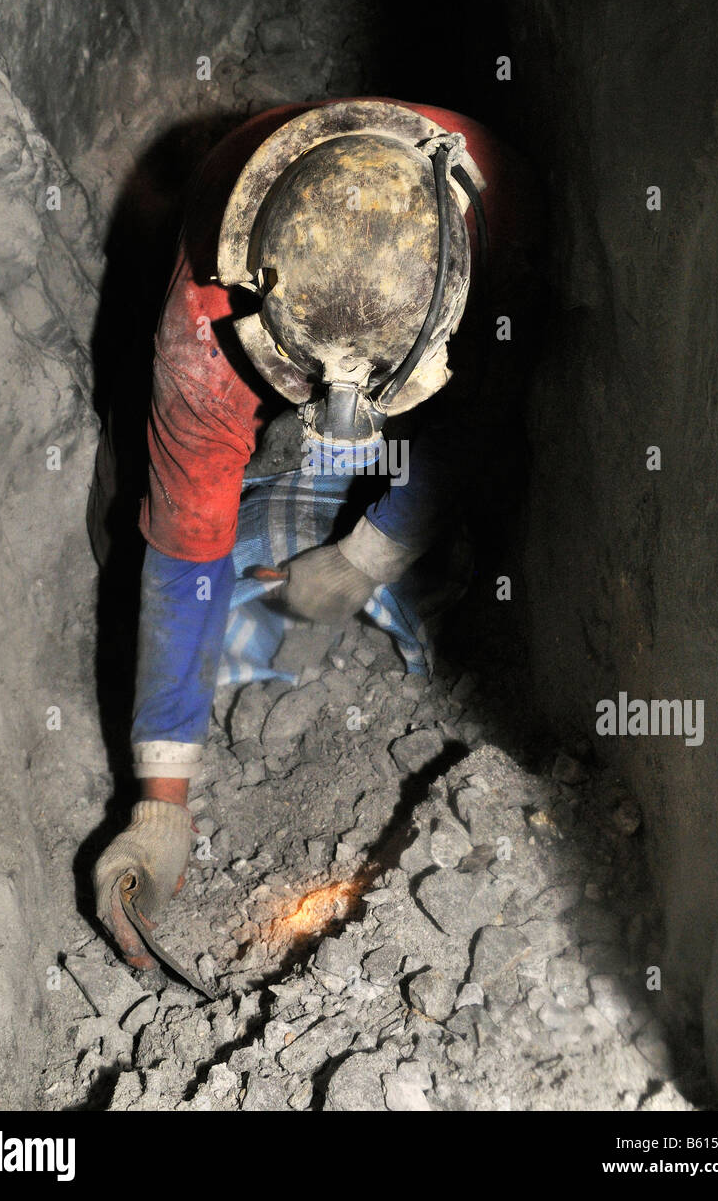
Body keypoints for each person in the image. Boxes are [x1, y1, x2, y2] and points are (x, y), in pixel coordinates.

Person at [90, 97, 540, 966]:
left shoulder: (498, 217)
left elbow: (474, 416)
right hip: (249, 266)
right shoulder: (205, 332)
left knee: (480, 479)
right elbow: (185, 557)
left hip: (455, 291)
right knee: (148, 513)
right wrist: (159, 807)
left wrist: (367, 555)